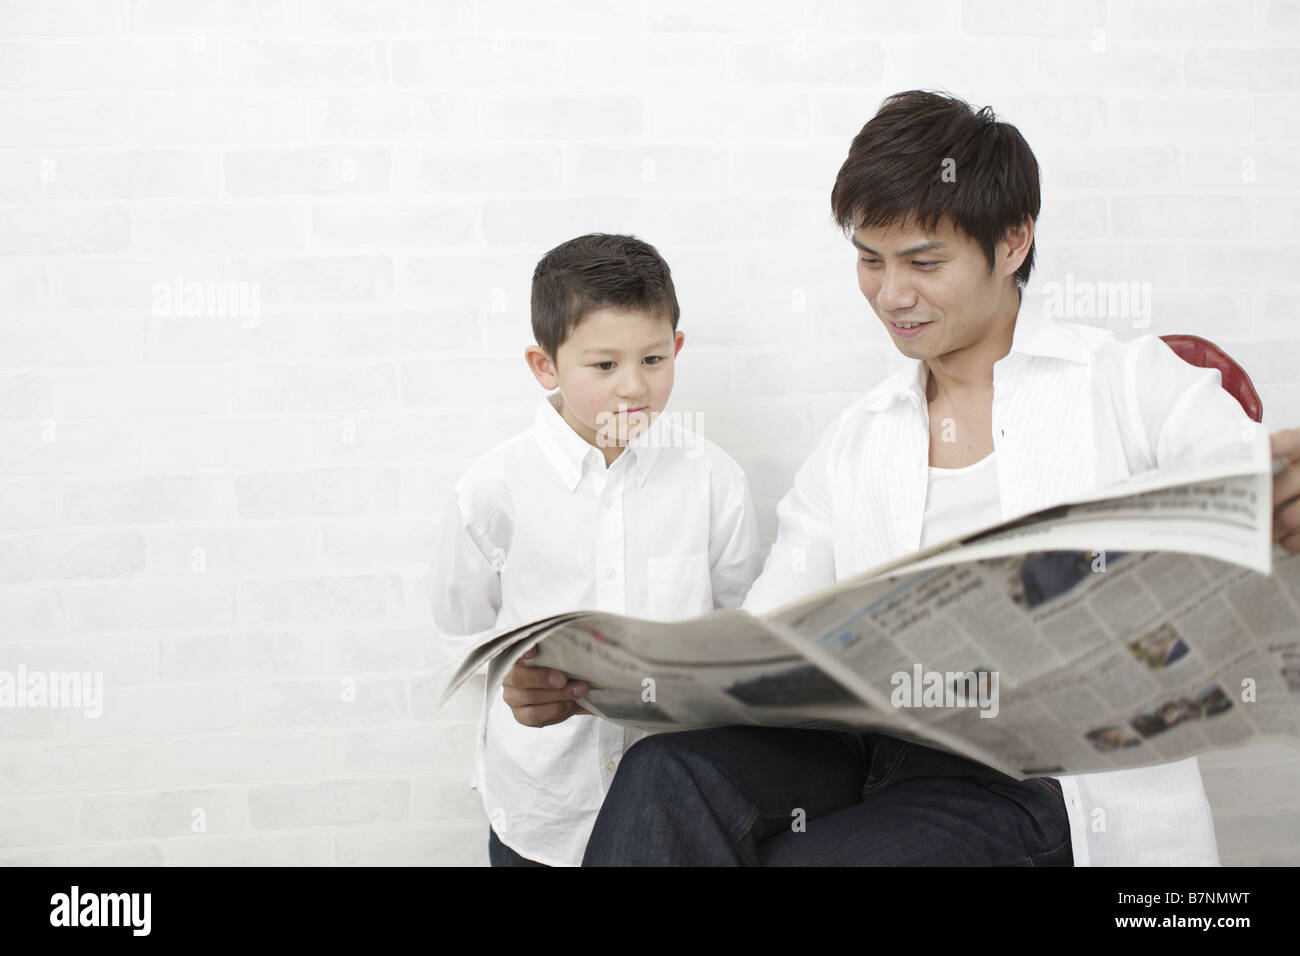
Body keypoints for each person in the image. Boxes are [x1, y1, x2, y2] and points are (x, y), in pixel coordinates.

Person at [504, 90, 1300, 866]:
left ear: (1014, 241)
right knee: (667, 776)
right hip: (868, 756)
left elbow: (1244, 484)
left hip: (1036, 781)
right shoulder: (860, 438)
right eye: (869, 260)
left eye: (924, 262)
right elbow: (769, 636)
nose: (892, 295)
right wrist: (605, 683)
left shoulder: (1127, 383)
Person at [433, 233, 759, 866]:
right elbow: (463, 636)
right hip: (543, 809)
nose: (633, 387)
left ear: (678, 349)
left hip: (674, 814)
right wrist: (512, 679)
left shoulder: (715, 481)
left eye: (654, 360)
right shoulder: (493, 490)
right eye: (604, 366)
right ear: (544, 366)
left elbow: (739, 623)